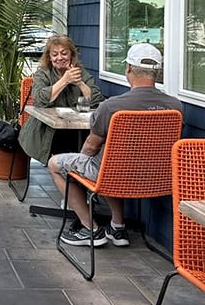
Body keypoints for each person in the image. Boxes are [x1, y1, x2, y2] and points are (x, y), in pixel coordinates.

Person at [49, 43, 183, 247]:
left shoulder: (111, 106)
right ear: (158, 72)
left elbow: (90, 147)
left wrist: (80, 167)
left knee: (56, 164)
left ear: (128, 68)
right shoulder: (175, 106)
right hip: (157, 178)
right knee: (112, 159)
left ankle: (90, 229)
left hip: (114, 173)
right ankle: (117, 227)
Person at [19, 34, 104, 165]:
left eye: (64, 53)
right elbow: (40, 99)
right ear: (49, 58)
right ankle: (65, 171)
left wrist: (80, 83)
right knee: (65, 143)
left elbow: (96, 100)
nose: (60, 58)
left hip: (77, 129)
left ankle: (74, 174)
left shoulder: (81, 72)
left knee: (86, 142)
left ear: (71, 55)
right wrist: (65, 80)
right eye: (55, 54)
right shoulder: (43, 73)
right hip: (45, 129)